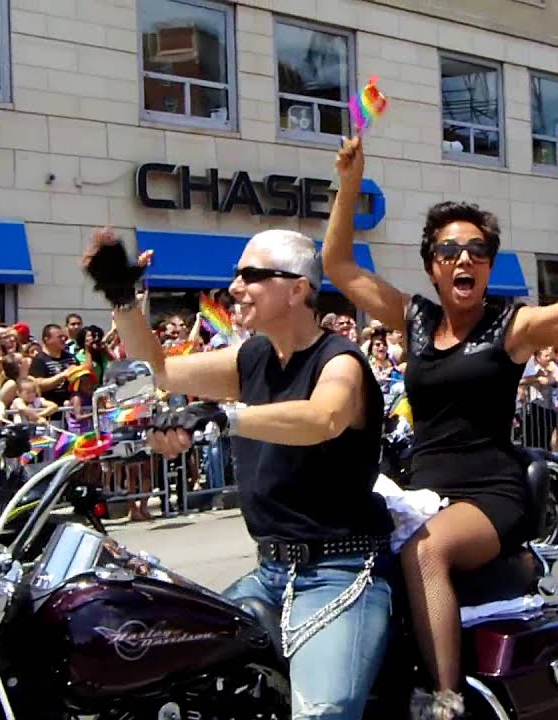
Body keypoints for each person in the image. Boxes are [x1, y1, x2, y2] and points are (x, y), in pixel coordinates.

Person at [321, 136, 558, 720]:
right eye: (450, 250)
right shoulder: (415, 318)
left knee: (424, 551)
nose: (464, 259)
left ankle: (446, 699)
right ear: (432, 264)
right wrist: (349, 183)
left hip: (489, 494)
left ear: (489, 264)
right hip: (419, 489)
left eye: (478, 250)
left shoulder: (512, 327)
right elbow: (337, 265)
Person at [83, 226, 393, 720]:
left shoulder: (341, 361)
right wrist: (122, 296)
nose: (234, 287)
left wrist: (225, 415)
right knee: (179, 680)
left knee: (322, 713)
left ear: (297, 289)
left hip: (340, 572)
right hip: (269, 570)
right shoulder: (253, 357)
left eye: (251, 275)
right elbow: (156, 369)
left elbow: (323, 417)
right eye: (236, 275)